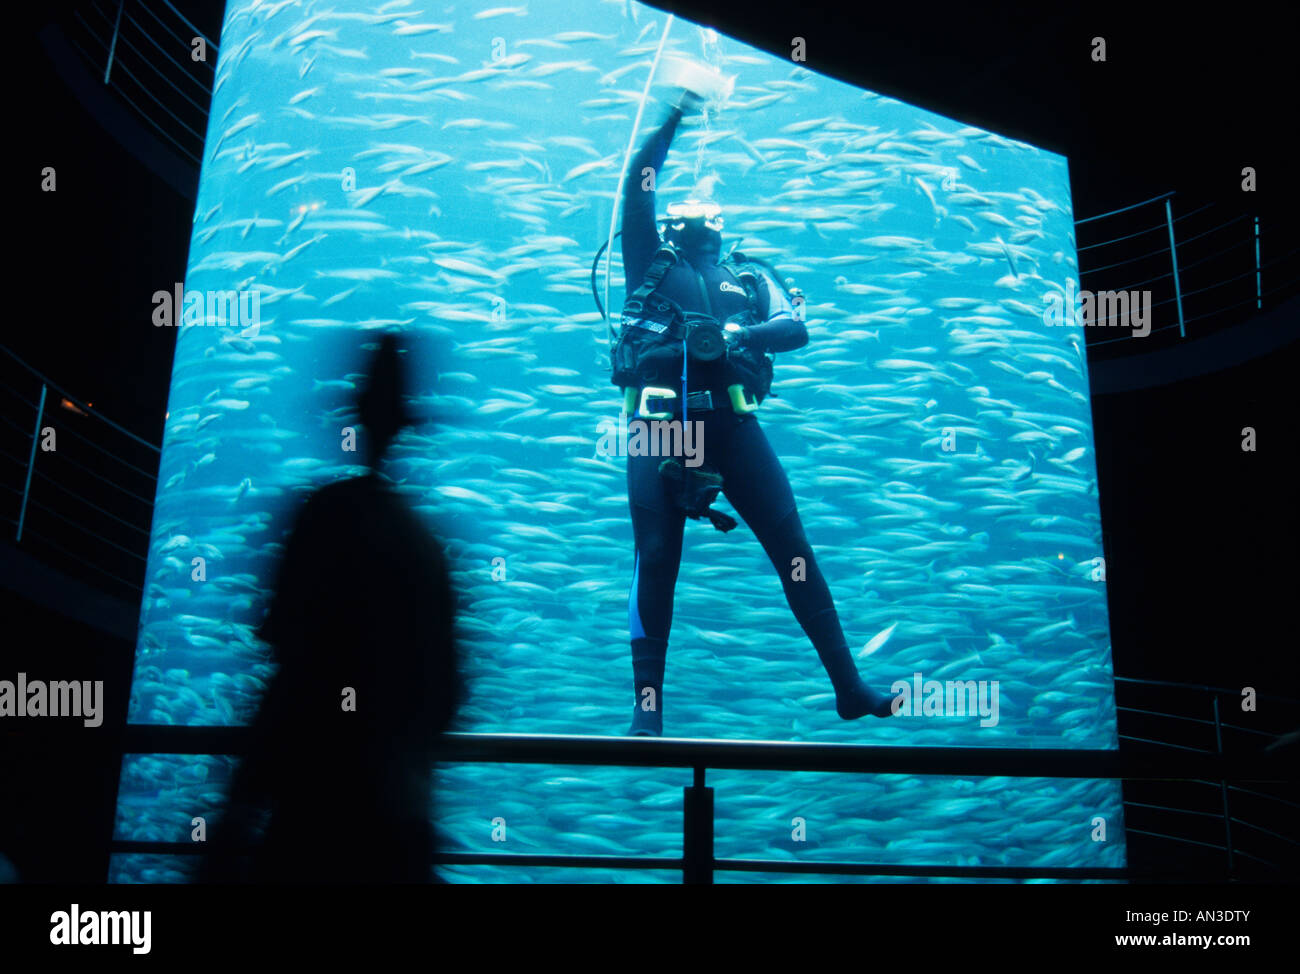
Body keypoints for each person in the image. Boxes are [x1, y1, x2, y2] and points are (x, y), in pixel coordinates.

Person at [611, 88, 900, 737]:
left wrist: (737, 336)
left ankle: (848, 688)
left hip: (734, 427)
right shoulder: (648, 264)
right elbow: (637, 185)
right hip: (658, 427)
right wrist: (675, 116)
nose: (696, 213)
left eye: (707, 206)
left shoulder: (749, 276)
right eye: (684, 206)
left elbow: (794, 330)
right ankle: (647, 710)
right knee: (655, 554)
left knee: (793, 549)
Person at [201, 332, 462, 882]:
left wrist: (238, 813)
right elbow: (449, 692)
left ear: (357, 419)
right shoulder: (426, 545)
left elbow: (290, 675)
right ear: (406, 427)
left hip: (310, 817)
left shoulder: (322, 515)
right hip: (397, 824)